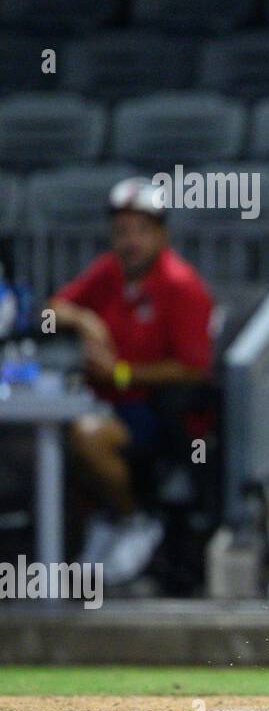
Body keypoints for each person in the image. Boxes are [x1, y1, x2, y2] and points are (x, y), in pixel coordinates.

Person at [48, 178, 215, 585]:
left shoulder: (181, 285)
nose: (130, 241)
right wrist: (84, 318)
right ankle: (93, 528)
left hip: (158, 411)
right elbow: (50, 311)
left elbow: (195, 368)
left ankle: (133, 520)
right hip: (99, 400)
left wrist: (121, 373)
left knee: (87, 437)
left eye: (141, 230)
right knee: (45, 439)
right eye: (122, 231)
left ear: (161, 234)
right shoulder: (108, 273)